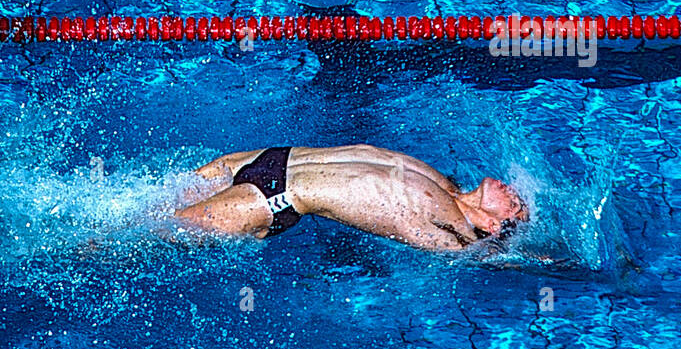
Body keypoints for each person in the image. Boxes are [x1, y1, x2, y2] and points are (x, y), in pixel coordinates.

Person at [174, 143, 529, 248]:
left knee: (154, 230)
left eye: (514, 204)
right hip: (273, 158)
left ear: (494, 224)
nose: (511, 190)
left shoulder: (453, 235)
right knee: (146, 198)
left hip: (275, 197)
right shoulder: (449, 187)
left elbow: (492, 259)